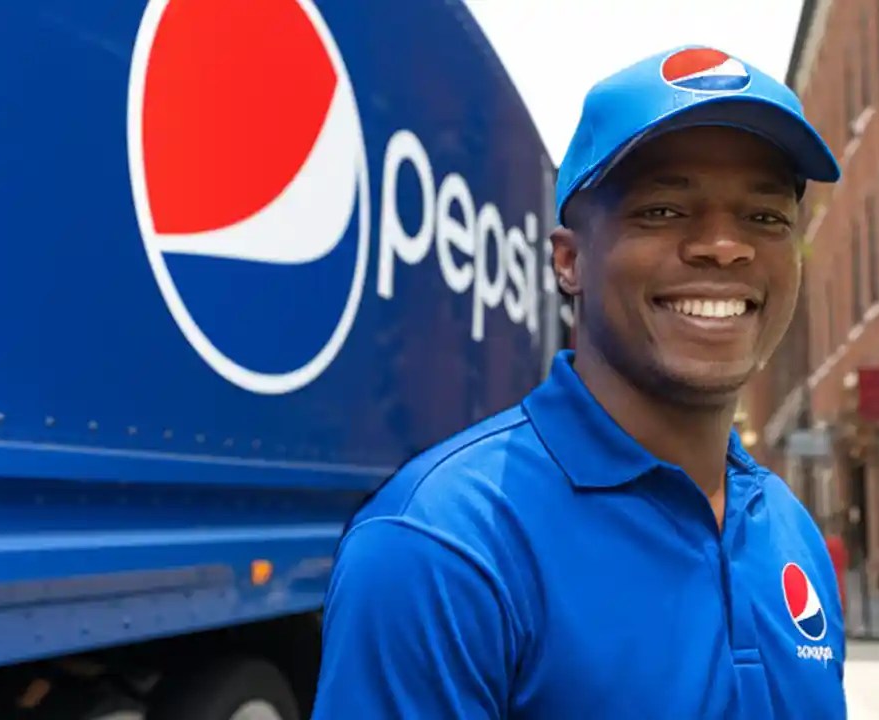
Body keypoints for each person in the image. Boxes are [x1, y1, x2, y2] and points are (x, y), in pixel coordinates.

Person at [312, 44, 846, 719]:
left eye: (765, 218)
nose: (723, 245)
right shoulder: (440, 545)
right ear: (570, 262)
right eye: (663, 211)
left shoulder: (789, 532)